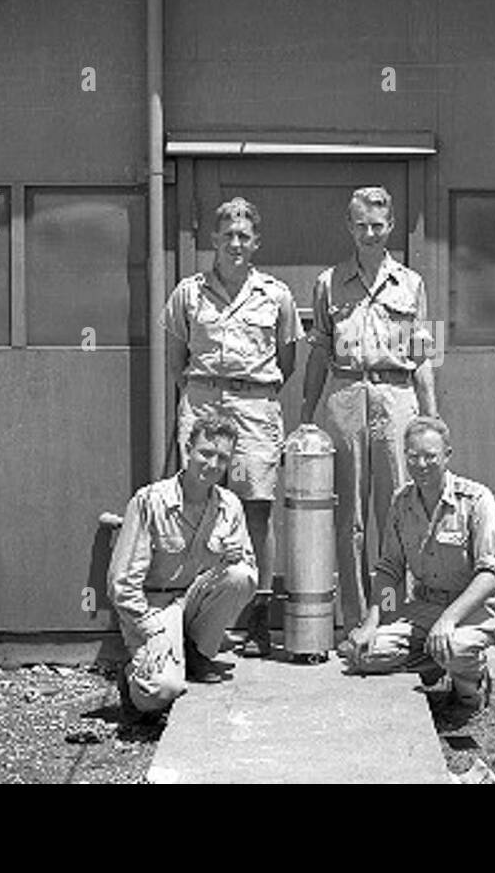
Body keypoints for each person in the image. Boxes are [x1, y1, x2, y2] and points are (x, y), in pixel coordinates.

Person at [161, 197, 302, 657]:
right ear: (214, 241)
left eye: (245, 236)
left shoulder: (276, 295)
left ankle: (258, 615)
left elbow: (287, 359)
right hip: (203, 399)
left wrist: (244, 390)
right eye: (228, 236)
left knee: (256, 507)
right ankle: (190, 613)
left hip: (254, 405)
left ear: (255, 242)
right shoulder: (189, 293)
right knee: (193, 504)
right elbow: (176, 358)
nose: (236, 244)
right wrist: (205, 392)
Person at [299, 186, 438, 632]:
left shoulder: (412, 284)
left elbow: (421, 359)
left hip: (396, 398)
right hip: (344, 398)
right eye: (361, 226)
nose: (370, 234)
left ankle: (397, 619)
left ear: (391, 227)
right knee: (348, 516)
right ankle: (357, 620)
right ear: (349, 227)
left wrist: (430, 420)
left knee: (398, 508)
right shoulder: (328, 282)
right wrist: (306, 415)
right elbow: (319, 352)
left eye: (378, 226)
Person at [345, 416, 495, 723]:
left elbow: (491, 573)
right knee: (365, 655)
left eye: (430, 456)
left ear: (447, 455)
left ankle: (471, 693)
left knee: (456, 645)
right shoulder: (401, 502)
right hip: (425, 606)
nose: (421, 464)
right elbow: (389, 569)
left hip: (477, 609)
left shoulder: (476, 499)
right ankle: (436, 662)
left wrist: (449, 619)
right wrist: (373, 619)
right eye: (413, 456)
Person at [107, 414, 258, 716]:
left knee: (241, 576)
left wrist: (235, 556)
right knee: (162, 691)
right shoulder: (150, 501)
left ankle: (196, 651)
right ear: (188, 449)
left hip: (193, 599)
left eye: (222, 458)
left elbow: (249, 572)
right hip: (155, 606)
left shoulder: (230, 505)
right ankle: (132, 681)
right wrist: (153, 631)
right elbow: (121, 585)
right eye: (205, 453)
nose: (213, 464)